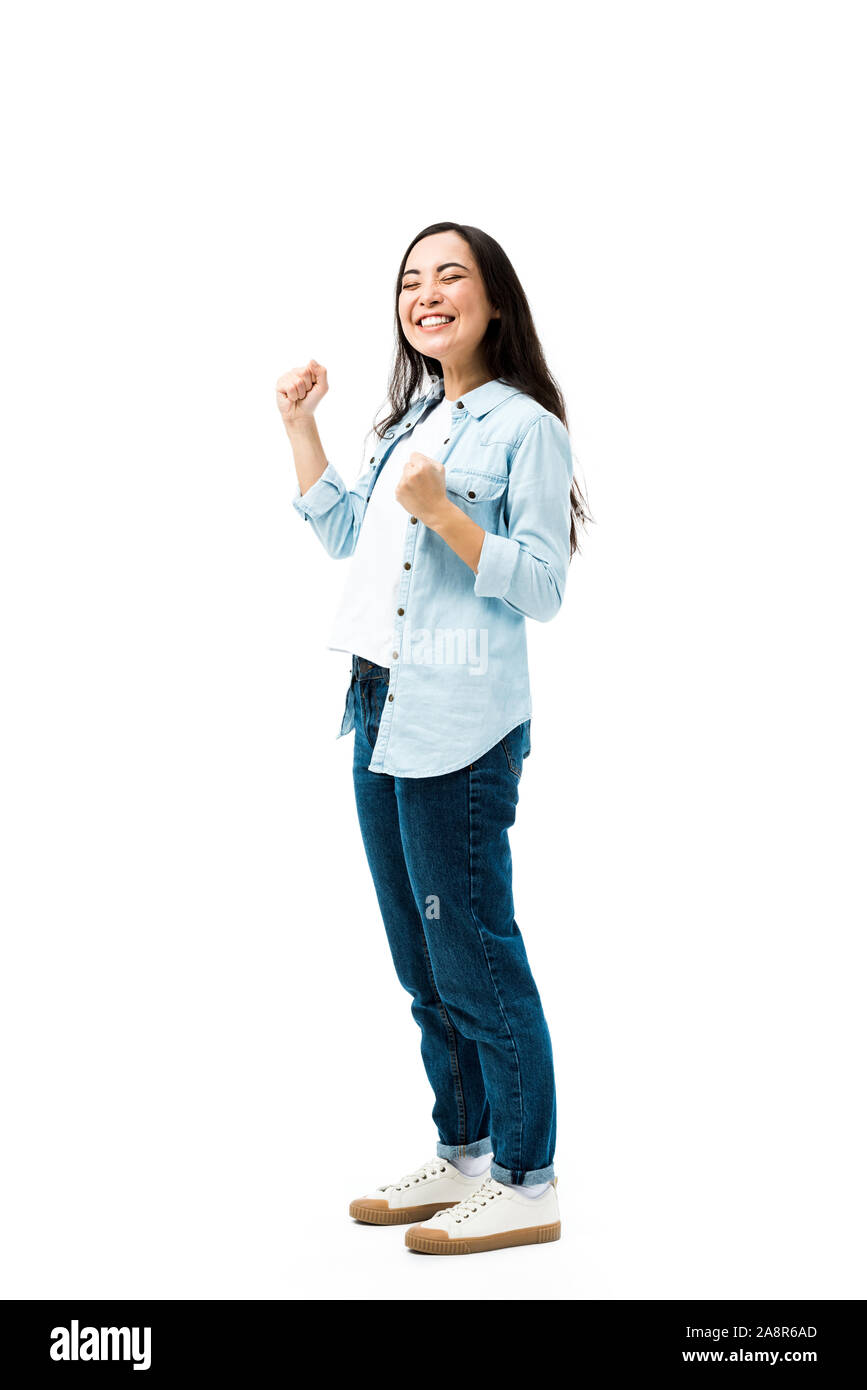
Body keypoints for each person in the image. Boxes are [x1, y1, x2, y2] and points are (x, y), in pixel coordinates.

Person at [276, 222, 588, 1256]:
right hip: (376, 704)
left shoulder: (526, 428)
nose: (427, 292)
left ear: (494, 299)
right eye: (412, 280)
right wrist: (304, 427)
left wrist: (446, 512)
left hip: (461, 722)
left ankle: (528, 1178)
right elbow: (343, 534)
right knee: (421, 958)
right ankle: (463, 1152)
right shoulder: (412, 414)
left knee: (476, 953)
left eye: (450, 274)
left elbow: (542, 585)